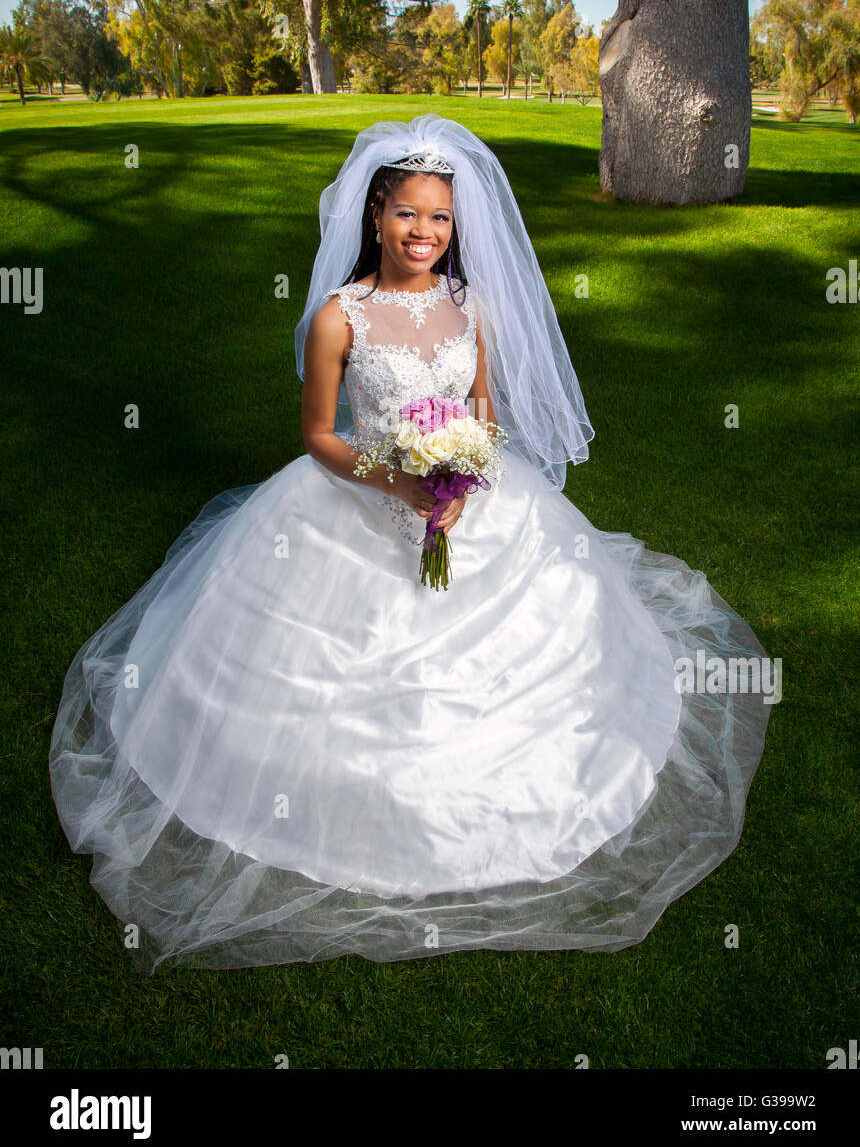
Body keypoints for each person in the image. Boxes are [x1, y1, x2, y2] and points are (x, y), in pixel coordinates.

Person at [50, 114, 774, 974]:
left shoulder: (472, 306)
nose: (424, 232)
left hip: (467, 500)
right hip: (359, 495)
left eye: (439, 217)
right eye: (407, 215)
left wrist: (465, 478)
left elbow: (485, 411)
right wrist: (400, 481)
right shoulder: (338, 318)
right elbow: (321, 435)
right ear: (375, 217)